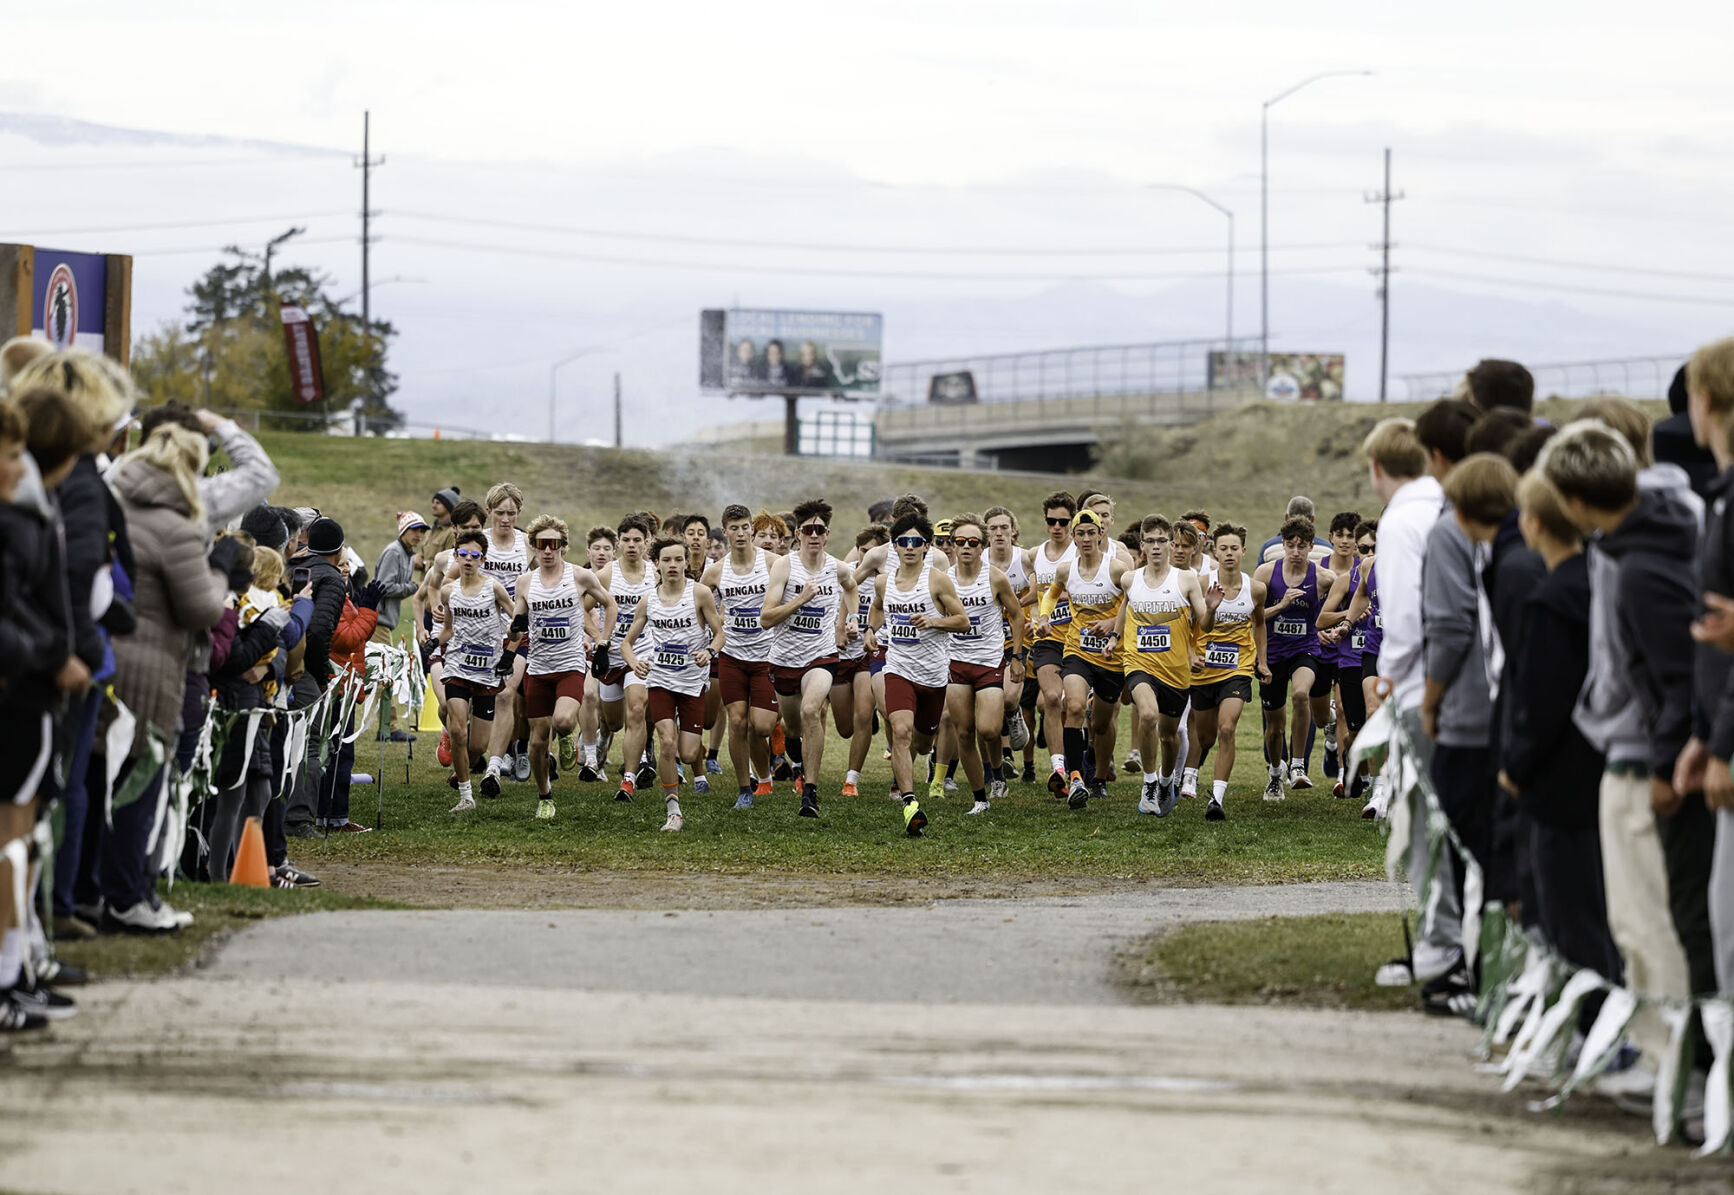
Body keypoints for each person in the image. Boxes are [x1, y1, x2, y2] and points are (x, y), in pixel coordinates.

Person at [1542, 420, 1702, 1092]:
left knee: (1645, 919)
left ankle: (1672, 1062)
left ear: (1576, 500)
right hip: (1636, 748)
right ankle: (1665, 1051)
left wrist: (1664, 766)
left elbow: (1675, 675)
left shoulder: (1638, 565)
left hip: (1643, 762)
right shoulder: (1655, 537)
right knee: (1638, 916)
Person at [1495, 471, 1623, 1036]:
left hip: (1558, 777)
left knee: (1569, 913)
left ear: (1536, 521)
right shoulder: (1598, 579)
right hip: (1600, 763)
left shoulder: (1553, 598)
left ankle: (1598, 1033)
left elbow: (1541, 699)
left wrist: (1516, 767)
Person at [102, 423, 232, 931]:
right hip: (152, 667)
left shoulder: (118, 505)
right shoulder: (175, 525)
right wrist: (221, 572)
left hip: (108, 657)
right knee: (144, 779)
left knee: (102, 781)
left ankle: (95, 890)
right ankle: (130, 893)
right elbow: (201, 606)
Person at [0, 390, 88, 1026]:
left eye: (15, 454)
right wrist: (53, 652)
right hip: (22, 684)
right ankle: (8, 973)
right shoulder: (20, 521)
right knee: (12, 839)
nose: (14, 467)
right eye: (6, 456)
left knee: (24, 837)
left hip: (35, 683)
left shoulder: (31, 512)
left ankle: (17, 965)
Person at [1359, 416, 1456, 987]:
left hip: (1420, 687)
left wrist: (1386, 679)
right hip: (1459, 684)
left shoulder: (1399, 523)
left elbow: (1401, 617)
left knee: (1423, 823)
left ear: (1377, 469)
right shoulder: (1447, 503)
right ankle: (1449, 938)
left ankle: (1441, 943)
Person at [870, 512, 969, 835]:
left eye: (916, 542)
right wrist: (872, 631)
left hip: (933, 674)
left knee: (924, 743)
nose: (910, 547)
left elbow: (962, 621)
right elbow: (877, 607)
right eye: (903, 542)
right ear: (894, 546)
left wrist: (934, 621)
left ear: (926, 547)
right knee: (900, 730)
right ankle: (910, 803)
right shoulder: (884, 581)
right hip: (898, 668)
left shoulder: (937, 580)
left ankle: (922, 765)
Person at [513, 515, 615, 820]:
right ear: (533, 547)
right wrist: (515, 628)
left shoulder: (579, 577)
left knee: (564, 721)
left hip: (569, 663)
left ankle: (568, 735)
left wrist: (603, 643)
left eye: (553, 545)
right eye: (541, 545)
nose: (547, 551)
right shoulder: (525, 582)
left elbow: (610, 605)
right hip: (538, 666)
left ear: (564, 547)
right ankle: (545, 795)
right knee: (537, 742)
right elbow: (517, 625)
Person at [621, 536, 724, 832]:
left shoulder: (701, 594)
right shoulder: (649, 600)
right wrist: (634, 662)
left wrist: (710, 651)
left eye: (679, 559)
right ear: (657, 564)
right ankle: (673, 810)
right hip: (661, 681)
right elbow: (627, 643)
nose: (673, 565)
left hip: (692, 683)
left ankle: (692, 767)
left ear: (686, 563)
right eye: (666, 560)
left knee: (688, 752)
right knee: (667, 742)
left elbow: (719, 634)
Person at [762, 498, 857, 816]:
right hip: (785, 659)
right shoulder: (785, 566)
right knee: (792, 728)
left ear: (827, 534)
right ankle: (794, 754)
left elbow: (851, 586)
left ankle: (810, 793)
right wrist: (801, 599)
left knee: (812, 708)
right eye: (808, 530)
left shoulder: (837, 567)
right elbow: (767, 617)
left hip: (822, 655)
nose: (814, 535)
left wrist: (850, 621)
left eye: (819, 530)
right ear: (798, 534)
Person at [1114, 514, 1209, 817]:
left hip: (1176, 670)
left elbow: (1204, 622)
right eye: (1150, 541)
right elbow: (1125, 609)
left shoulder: (1186, 579)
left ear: (1170, 544)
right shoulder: (1130, 578)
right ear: (1141, 545)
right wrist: (1115, 637)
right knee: (1148, 714)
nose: (1156, 547)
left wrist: (1214, 608)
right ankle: (1149, 781)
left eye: (1161, 541)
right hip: (1138, 663)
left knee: (1170, 735)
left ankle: (1167, 780)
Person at [1037, 508, 1124, 809]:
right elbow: (1051, 593)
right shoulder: (1066, 569)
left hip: (1111, 656)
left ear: (1101, 534)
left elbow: (1132, 600)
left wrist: (1113, 625)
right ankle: (1076, 779)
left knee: (1101, 724)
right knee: (1073, 706)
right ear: (1073, 537)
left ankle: (1099, 776)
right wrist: (1045, 616)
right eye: (1080, 533)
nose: (1086, 538)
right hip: (1077, 649)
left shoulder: (1116, 569)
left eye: (1091, 532)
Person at [944, 514, 1024, 814]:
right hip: (955, 663)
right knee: (964, 732)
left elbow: (1017, 615)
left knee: (989, 729)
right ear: (952, 545)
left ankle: (998, 773)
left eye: (973, 542)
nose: (966, 547)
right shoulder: (943, 579)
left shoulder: (994, 577)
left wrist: (1016, 657)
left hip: (989, 660)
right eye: (960, 542)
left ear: (982, 546)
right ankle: (980, 798)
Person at [1187, 524, 1268, 821]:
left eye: (1235, 548)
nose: (1229, 553)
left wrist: (1262, 661)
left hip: (1238, 667)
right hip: (1204, 669)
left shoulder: (1256, 588)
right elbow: (1194, 626)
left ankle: (1217, 799)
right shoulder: (1200, 583)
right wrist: (1192, 653)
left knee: (1227, 728)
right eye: (1223, 548)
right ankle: (1190, 773)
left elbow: (1259, 624)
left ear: (1243, 551)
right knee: (1206, 736)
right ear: (1214, 551)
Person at [1253, 517, 1336, 799]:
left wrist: (1335, 627)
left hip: (1306, 647)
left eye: (1302, 546)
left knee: (1301, 694)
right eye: (1290, 545)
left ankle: (1298, 765)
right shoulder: (1265, 574)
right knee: (1274, 728)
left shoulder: (1323, 578)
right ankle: (1276, 773)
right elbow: (1253, 617)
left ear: (1312, 547)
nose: (1296, 551)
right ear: (1283, 545)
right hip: (1273, 653)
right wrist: (1282, 605)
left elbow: (1347, 598)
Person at [438, 530, 515, 812]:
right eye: (463, 554)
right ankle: (465, 796)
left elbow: (515, 620)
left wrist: (510, 650)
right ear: (456, 556)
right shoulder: (449, 592)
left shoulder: (493, 588)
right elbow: (447, 629)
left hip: (487, 672)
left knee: (478, 746)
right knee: (458, 730)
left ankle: (464, 767)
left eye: (474, 555)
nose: (468, 560)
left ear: (483, 559)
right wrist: (432, 644)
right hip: (457, 666)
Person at [598, 513, 658, 801]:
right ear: (618, 542)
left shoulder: (655, 575)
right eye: (626, 540)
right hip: (610, 657)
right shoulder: (607, 574)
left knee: (637, 708)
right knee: (614, 722)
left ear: (647, 543)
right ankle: (602, 740)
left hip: (642, 651)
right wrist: (598, 637)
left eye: (637, 540)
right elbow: (584, 607)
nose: (632, 545)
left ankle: (629, 778)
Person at [476, 483, 531, 788]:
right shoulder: (480, 541)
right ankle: (467, 748)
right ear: (489, 512)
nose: (506, 519)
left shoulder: (528, 545)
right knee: (474, 698)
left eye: (511, 513)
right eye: (500, 513)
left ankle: (494, 768)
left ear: (519, 513)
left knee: (506, 694)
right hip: (481, 631)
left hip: (517, 632)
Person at [1022, 491, 1076, 797]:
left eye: (1063, 522)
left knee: (1075, 706)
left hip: (1079, 640)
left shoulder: (1079, 554)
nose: (1057, 527)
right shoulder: (1035, 554)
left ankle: (1081, 766)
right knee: (1053, 699)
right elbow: (1035, 592)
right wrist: (1018, 607)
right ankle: (1058, 769)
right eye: (1052, 521)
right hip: (1047, 638)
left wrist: (1059, 595)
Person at [372, 510, 429, 741]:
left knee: (385, 675)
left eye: (422, 531)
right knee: (384, 676)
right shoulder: (394, 553)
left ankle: (387, 727)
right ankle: (389, 729)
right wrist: (412, 587)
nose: (419, 535)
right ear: (404, 531)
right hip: (378, 622)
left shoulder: (405, 554)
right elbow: (383, 586)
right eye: (415, 530)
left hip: (385, 622)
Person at [1258, 496, 1331, 565]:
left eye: (1301, 546)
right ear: (1312, 519)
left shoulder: (1268, 548)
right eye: (1290, 545)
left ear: (1286, 517)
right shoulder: (1328, 551)